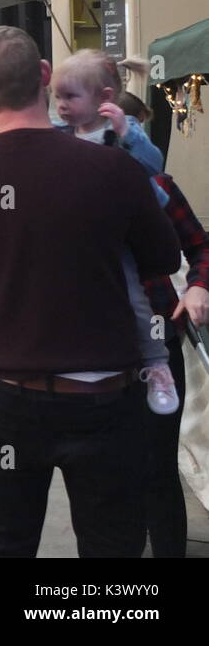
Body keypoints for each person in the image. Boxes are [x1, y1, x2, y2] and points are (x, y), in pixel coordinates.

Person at [0, 26, 179, 557]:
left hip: (10, 399)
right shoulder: (113, 169)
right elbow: (162, 259)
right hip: (105, 396)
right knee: (112, 547)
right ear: (44, 76)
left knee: (4, 541)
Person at [52, 50, 177, 414]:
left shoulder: (121, 131)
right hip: (77, 235)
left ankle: (157, 363)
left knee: (139, 302)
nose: (61, 105)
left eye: (70, 97)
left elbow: (155, 166)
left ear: (104, 99)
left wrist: (126, 132)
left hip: (117, 233)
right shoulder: (61, 135)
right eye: (57, 97)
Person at [142, 171, 209, 557]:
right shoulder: (60, 184)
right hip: (90, 349)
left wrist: (199, 285)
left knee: (158, 464)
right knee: (103, 470)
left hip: (156, 338)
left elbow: (200, 245)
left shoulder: (157, 185)